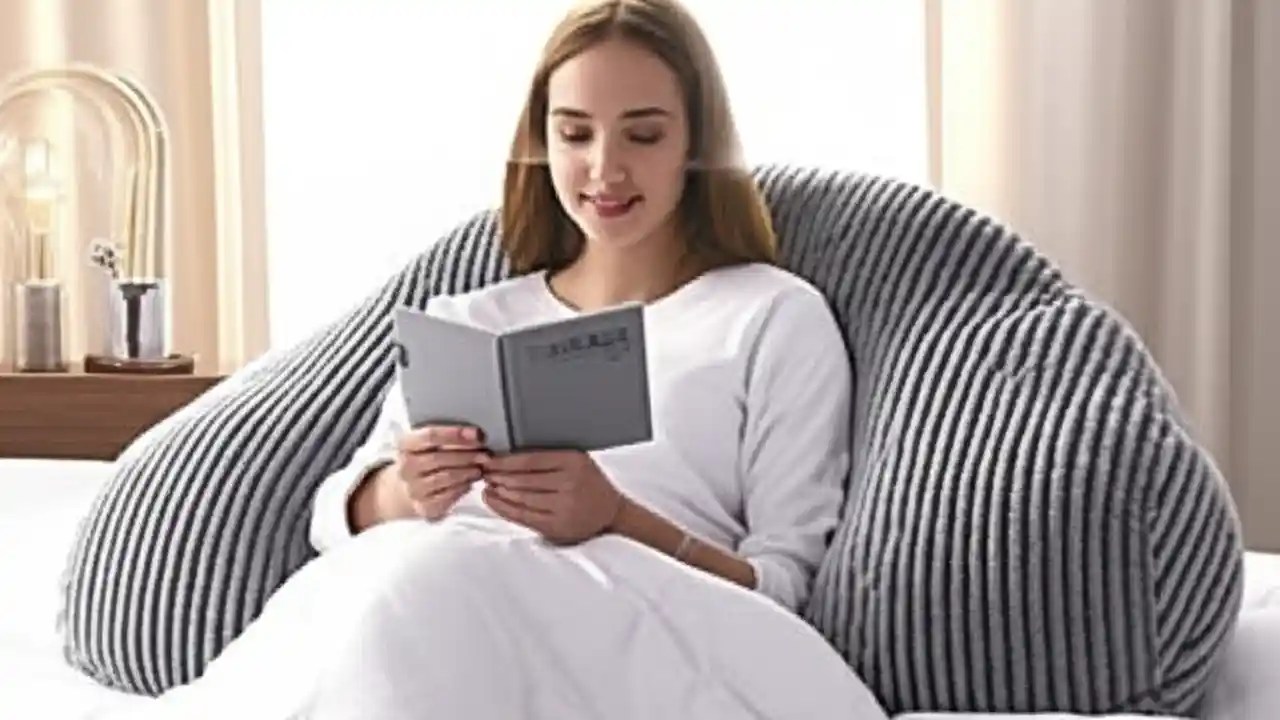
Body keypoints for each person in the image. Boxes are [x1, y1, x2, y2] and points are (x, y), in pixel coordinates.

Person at [116, 1, 886, 718]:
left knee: (423, 589)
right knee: (392, 590)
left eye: (643, 135)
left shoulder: (770, 315)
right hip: (428, 585)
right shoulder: (471, 317)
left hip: (642, 608)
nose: (604, 170)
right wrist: (403, 491)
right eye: (575, 134)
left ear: (696, 144)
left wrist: (614, 517)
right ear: (541, 143)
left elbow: (781, 587)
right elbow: (335, 523)